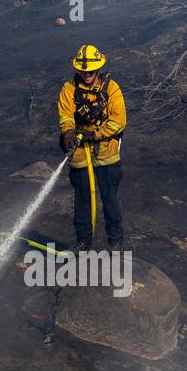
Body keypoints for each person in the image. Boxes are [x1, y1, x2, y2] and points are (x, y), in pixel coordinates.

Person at [58, 45, 127, 251]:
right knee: (82, 200)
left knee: (109, 198)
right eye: (83, 71)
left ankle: (115, 242)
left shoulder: (111, 88)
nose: (87, 75)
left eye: (91, 71)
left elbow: (119, 120)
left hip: (106, 151)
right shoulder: (69, 89)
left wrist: (96, 134)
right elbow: (65, 114)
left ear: (98, 69)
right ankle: (83, 242)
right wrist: (68, 132)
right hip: (79, 152)